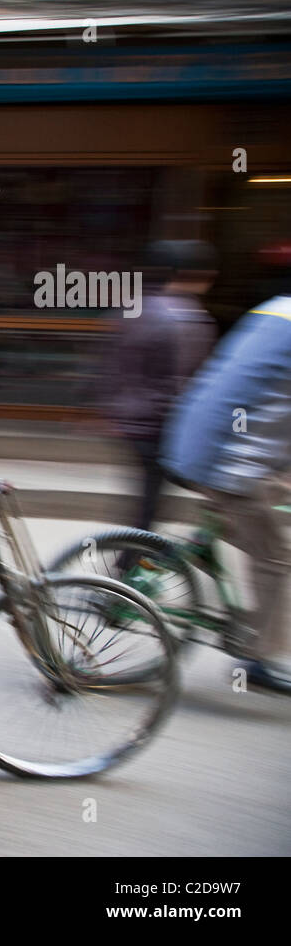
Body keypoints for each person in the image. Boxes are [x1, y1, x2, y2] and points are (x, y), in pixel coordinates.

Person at [160, 294, 291, 693]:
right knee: (279, 555)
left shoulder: (277, 308)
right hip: (230, 460)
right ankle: (259, 656)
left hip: (194, 438)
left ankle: (200, 547)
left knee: (262, 514)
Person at [105, 240, 218, 530]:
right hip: (160, 423)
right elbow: (187, 380)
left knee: (148, 500)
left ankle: (134, 554)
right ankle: (133, 558)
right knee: (153, 503)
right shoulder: (188, 317)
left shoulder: (134, 309)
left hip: (130, 420)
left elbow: (113, 364)